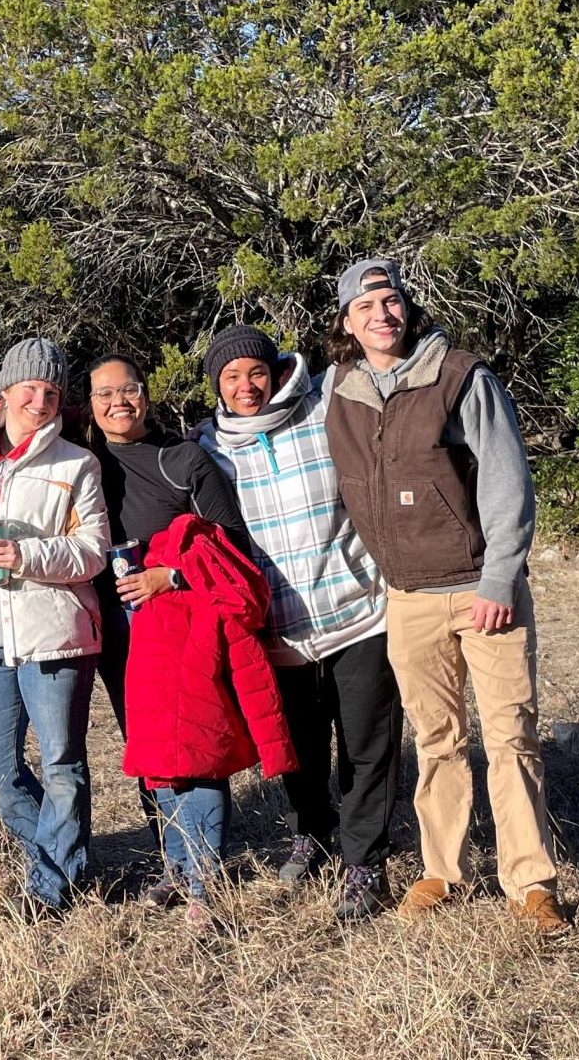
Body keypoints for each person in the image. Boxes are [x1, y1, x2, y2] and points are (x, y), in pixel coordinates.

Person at [323, 257, 567, 936]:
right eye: (365, 306)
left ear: (408, 307)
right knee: (436, 740)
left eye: (390, 301)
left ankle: (530, 882)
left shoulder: (460, 375)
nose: (381, 314)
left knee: (511, 735)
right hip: (406, 598)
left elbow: (505, 479)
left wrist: (497, 580)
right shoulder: (338, 392)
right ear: (346, 322)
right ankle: (442, 872)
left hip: (482, 591)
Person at [197, 324, 404, 921]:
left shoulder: (323, 413)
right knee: (296, 747)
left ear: (277, 370)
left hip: (357, 611)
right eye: (231, 377)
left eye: (256, 372)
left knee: (367, 747)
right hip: (276, 629)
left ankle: (364, 860)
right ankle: (311, 832)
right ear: (216, 385)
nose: (246, 386)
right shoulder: (209, 447)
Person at [0, 338, 110, 916]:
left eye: (51, 391)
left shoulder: (75, 463)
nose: (39, 399)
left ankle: (52, 884)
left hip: (55, 634)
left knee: (62, 762)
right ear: (5, 388)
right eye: (29, 387)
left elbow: (94, 552)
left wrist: (29, 556)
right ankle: (62, 853)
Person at [83, 355, 252, 858]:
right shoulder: (82, 461)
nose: (119, 402)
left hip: (178, 618)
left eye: (129, 390)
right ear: (88, 404)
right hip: (117, 624)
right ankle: (172, 861)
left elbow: (233, 545)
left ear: (147, 394)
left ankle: (202, 871)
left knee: (189, 735)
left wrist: (170, 576)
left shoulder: (182, 460)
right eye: (105, 394)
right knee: (146, 738)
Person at [120, 513, 298, 930]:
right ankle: (179, 871)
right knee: (162, 782)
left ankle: (206, 886)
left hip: (200, 709)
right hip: (154, 704)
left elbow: (252, 673)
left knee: (200, 784)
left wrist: (273, 743)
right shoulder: (147, 584)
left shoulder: (213, 590)